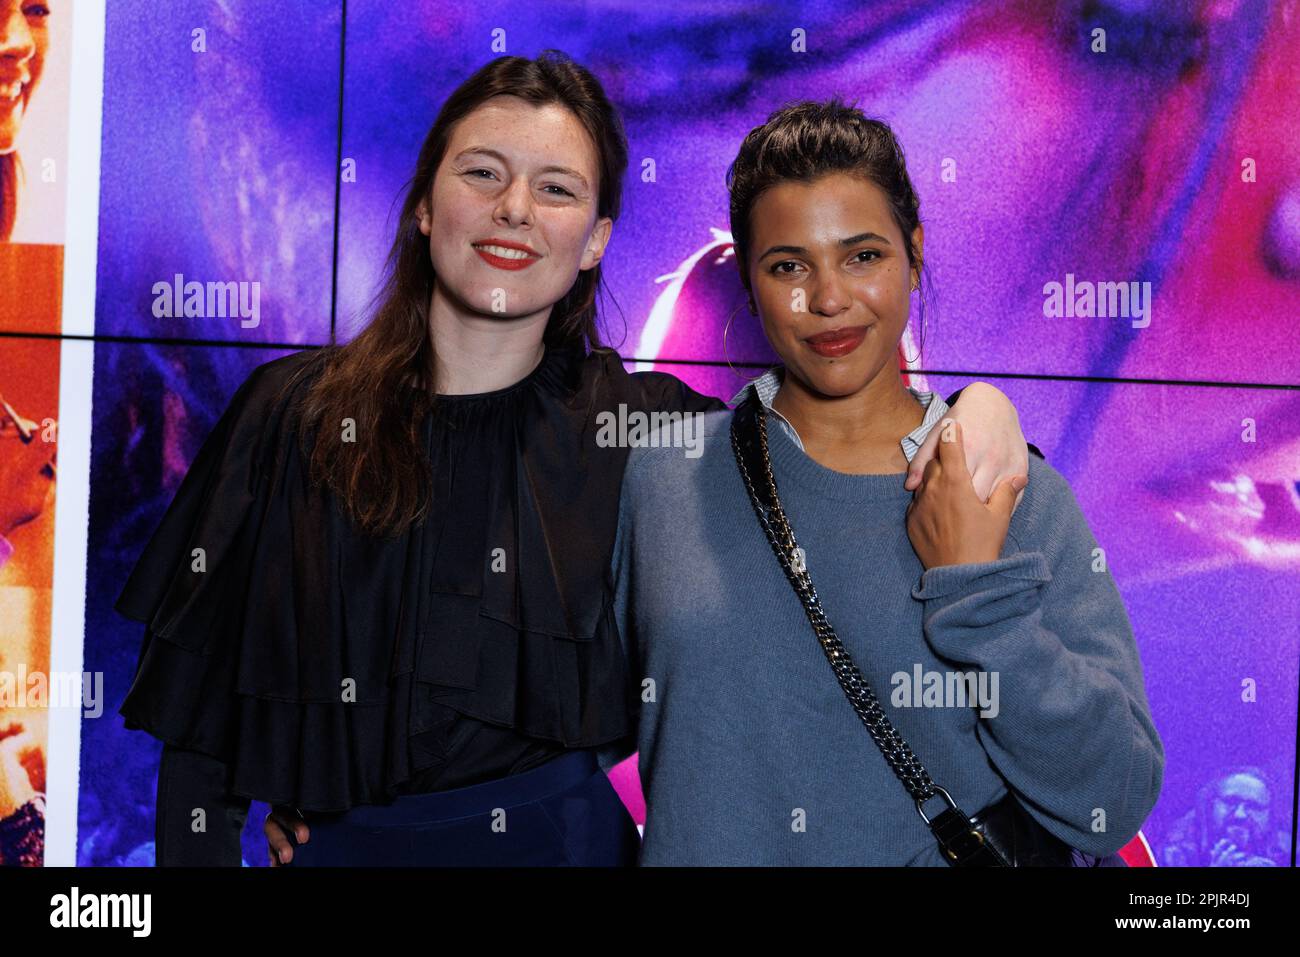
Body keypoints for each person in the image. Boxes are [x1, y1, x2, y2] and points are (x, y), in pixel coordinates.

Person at [118, 52, 1029, 867]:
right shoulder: (292, 415)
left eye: (557, 188)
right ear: (426, 204)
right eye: (484, 173)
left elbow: (847, 457)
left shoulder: (648, 431)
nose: (515, 207)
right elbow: (199, 761)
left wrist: (982, 412)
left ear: (594, 238)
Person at [600, 100, 1164, 865]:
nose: (829, 297)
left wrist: (979, 598)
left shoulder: (1013, 489)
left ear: (914, 252)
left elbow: (1113, 799)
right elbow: (573, 733)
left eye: (862, 255)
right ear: (752, 282)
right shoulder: (660, 481)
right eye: (789, 265)